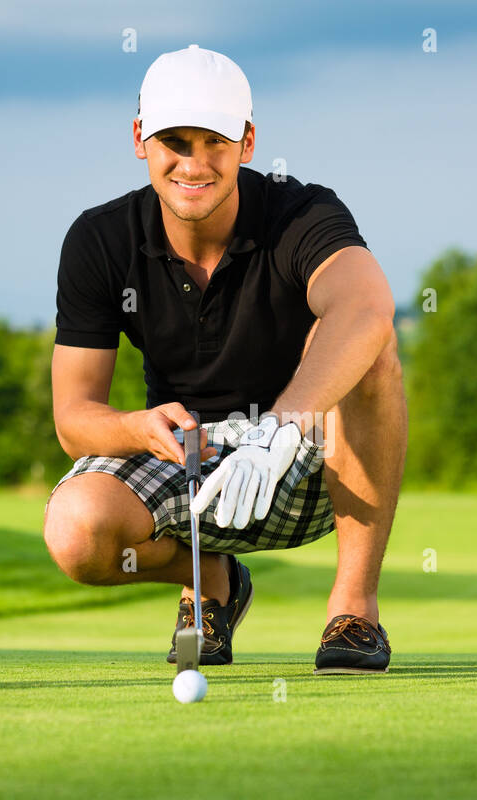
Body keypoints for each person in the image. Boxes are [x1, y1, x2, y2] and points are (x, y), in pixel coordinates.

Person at [44, 45, 407, 675]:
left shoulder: (301, 212)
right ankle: (211, 579)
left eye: (215, 141)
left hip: (308, 456)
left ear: (247, 142)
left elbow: (367, 309)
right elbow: (74, 418)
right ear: (140, 138)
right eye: (174, 141)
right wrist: (137, 427)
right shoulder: (98, 240)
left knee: (373, 355)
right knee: (76, 532)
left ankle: (354, 610)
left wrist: (280, 427)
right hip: (186, 461)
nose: (194, 163)